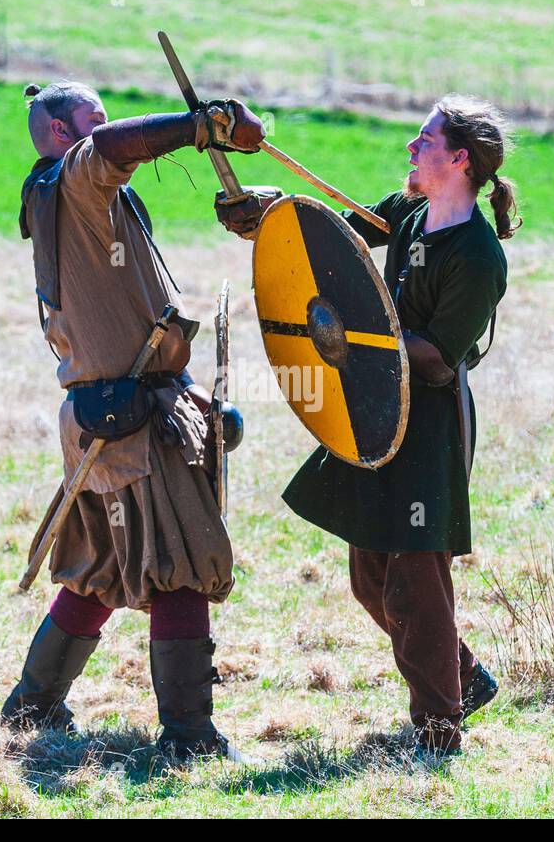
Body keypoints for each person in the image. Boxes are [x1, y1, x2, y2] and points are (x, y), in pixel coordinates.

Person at [217, 94, 519, 753]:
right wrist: (267, 209)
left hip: (429, 419)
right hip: (371, 408)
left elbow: (439, 359)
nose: (411, 149)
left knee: (416, 579)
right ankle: (461, 677)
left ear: (459, 158)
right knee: (370, 577)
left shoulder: (476, 254)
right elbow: (339, 239)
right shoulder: (409, 212)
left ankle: (440, 732)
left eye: (424, 140)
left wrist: (362, 335)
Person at [3, 80, 270, 760]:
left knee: (96, 568)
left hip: (106, 419)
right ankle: (189, 737)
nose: (108, 127)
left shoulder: (77, 195)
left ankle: (32, 707)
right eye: (94, 119)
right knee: (181, 566)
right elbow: (113, 146)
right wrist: (196, 127)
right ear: (65, 134)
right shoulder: (77, 177)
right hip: (132, 424)